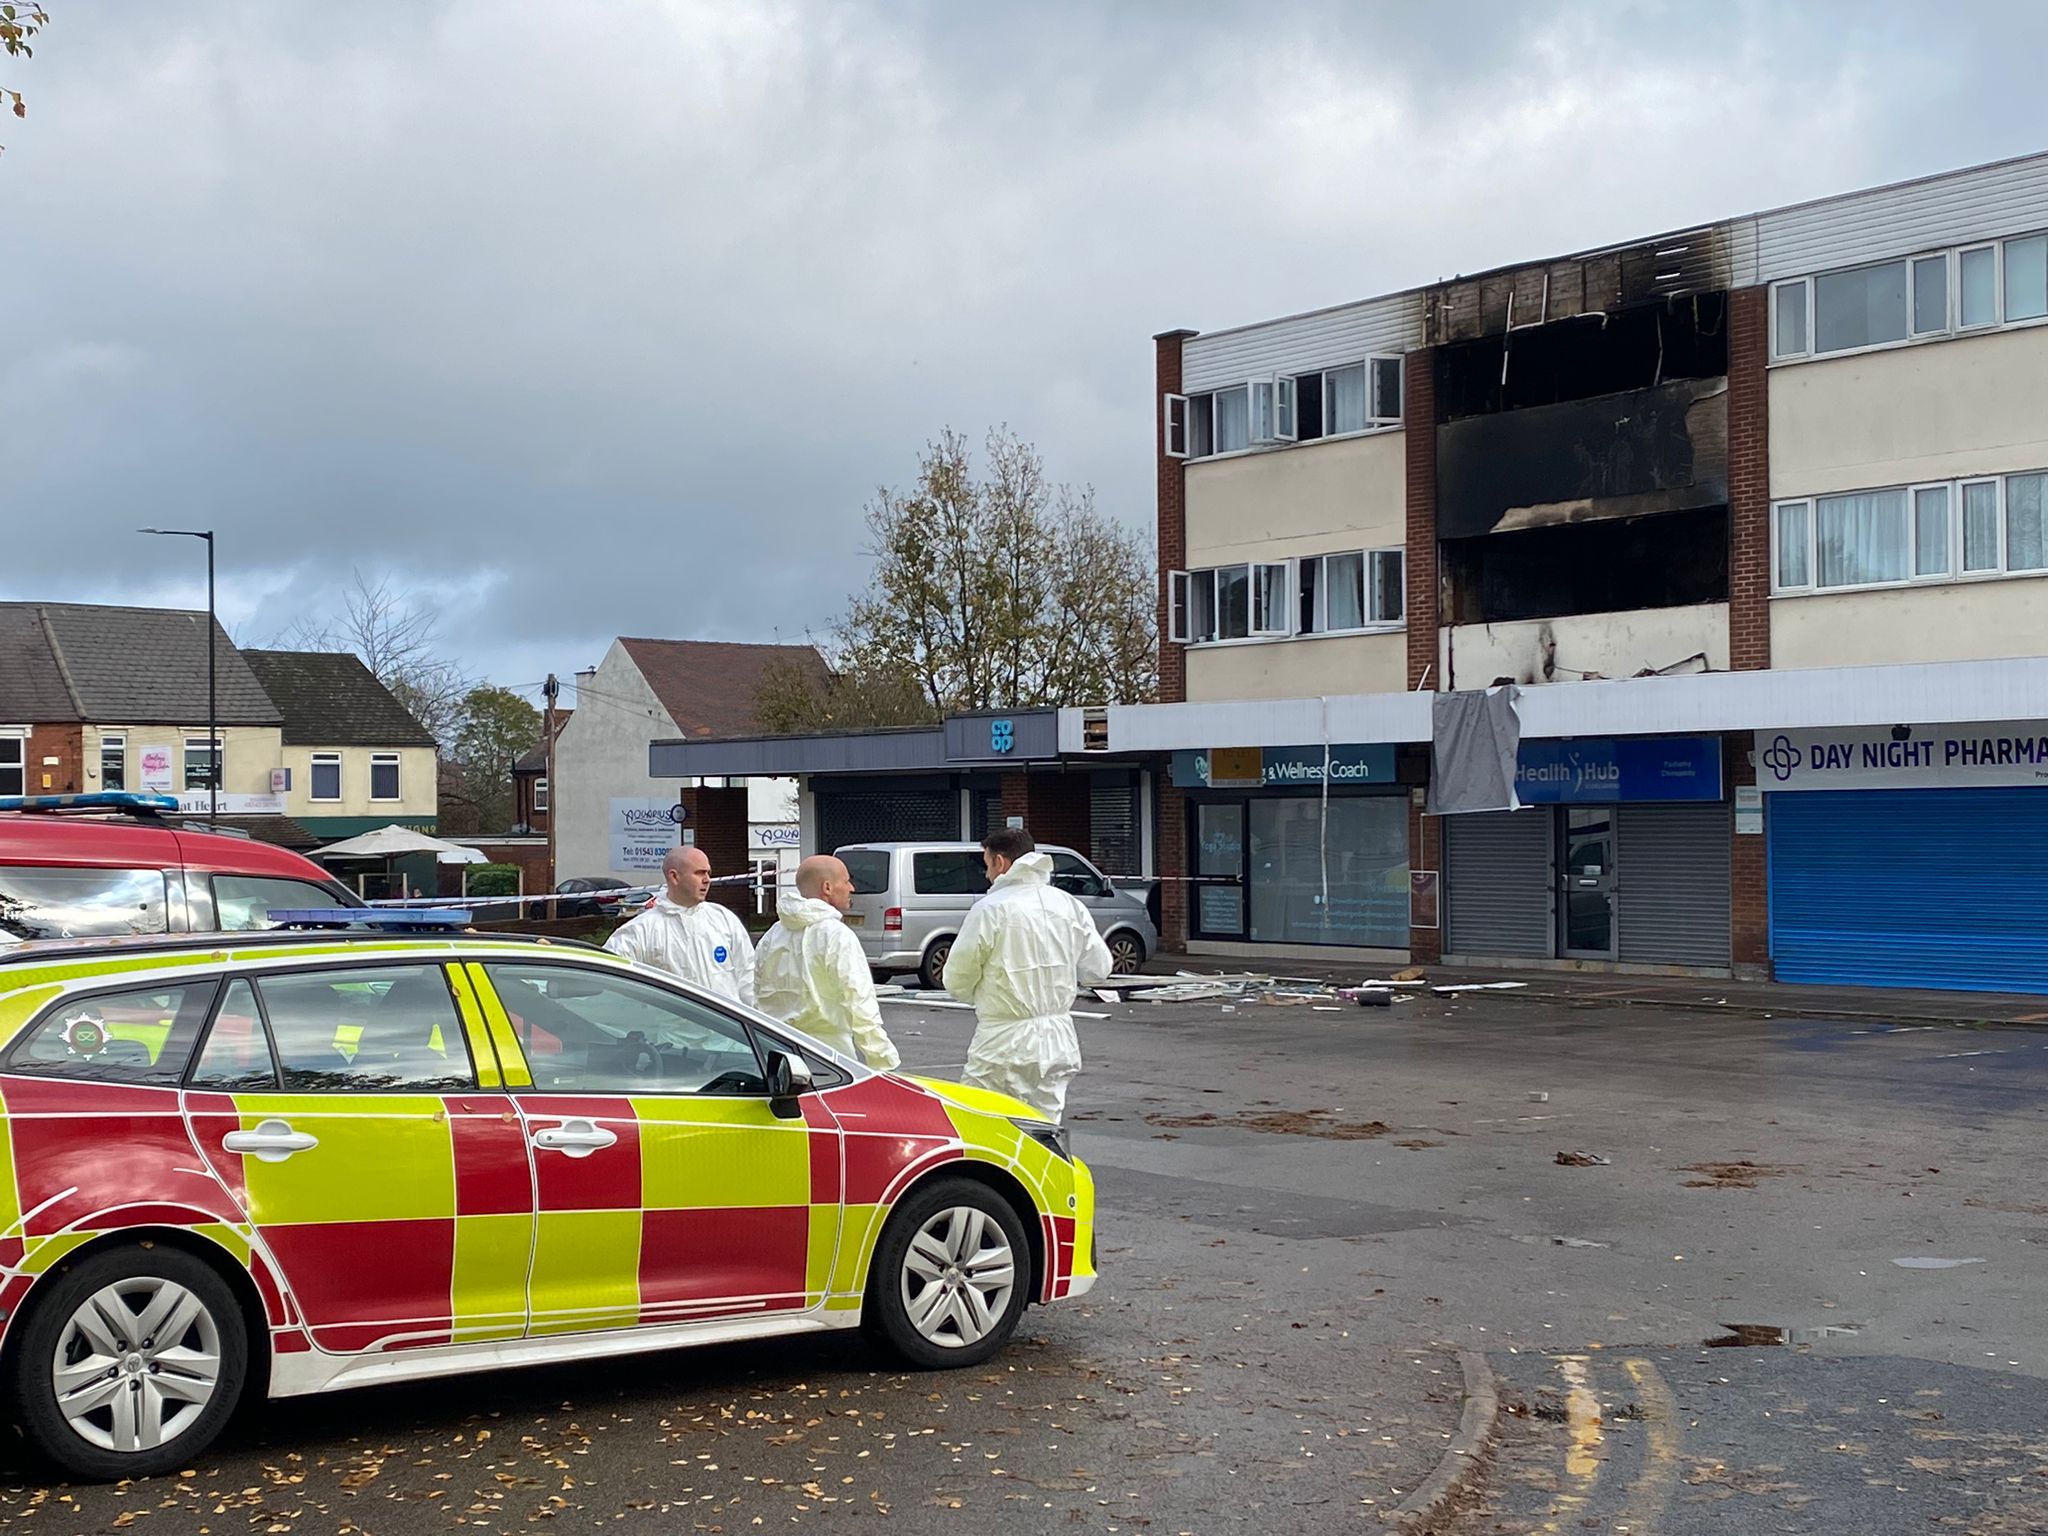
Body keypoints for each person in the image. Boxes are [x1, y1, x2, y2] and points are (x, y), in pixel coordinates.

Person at [942, 827, 1111, 1121]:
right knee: (1045, 1125)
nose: (986, 874)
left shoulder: (991, 908)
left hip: (1004, 1039)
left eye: (987, 864)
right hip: (1058, 1038)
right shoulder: (1069, 904)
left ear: (1000, 863)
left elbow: (957, 977)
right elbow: (1098, 969)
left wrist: (979, 996)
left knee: (984, 1124)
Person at [754, 854, 900, 1070]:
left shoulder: (772, 935)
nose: (851, 888)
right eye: (846, 881)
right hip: (830, 1060)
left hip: (775, 1056)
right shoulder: (836, 935)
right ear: (827, 887)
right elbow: (858, 1001)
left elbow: (754, 992)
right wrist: (884, 1061)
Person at [604, 845, 755, 1006]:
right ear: (674, 877)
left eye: (708, 873)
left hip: (727, 1029)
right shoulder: (642, 931)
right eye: (699, 873)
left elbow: (748, 977)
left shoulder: (723, 919)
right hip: (672, 1030)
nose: (707, 879)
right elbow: (606, 977)